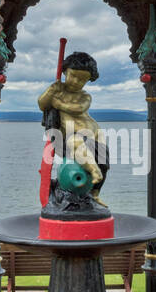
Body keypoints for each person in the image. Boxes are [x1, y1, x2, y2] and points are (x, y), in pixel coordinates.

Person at [38, 51, 109, 204]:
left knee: (104, 161)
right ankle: (93, 171)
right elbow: (42, 104)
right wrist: (51, 90)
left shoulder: (85, 96)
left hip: (94, 133)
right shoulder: (57, 91)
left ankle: (95, 192)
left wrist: (59, 104)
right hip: (70, 136)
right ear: (64, 72)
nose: (77, 81)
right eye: (73, 76)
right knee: (75, 142)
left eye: (83, 80)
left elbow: (78, 108)